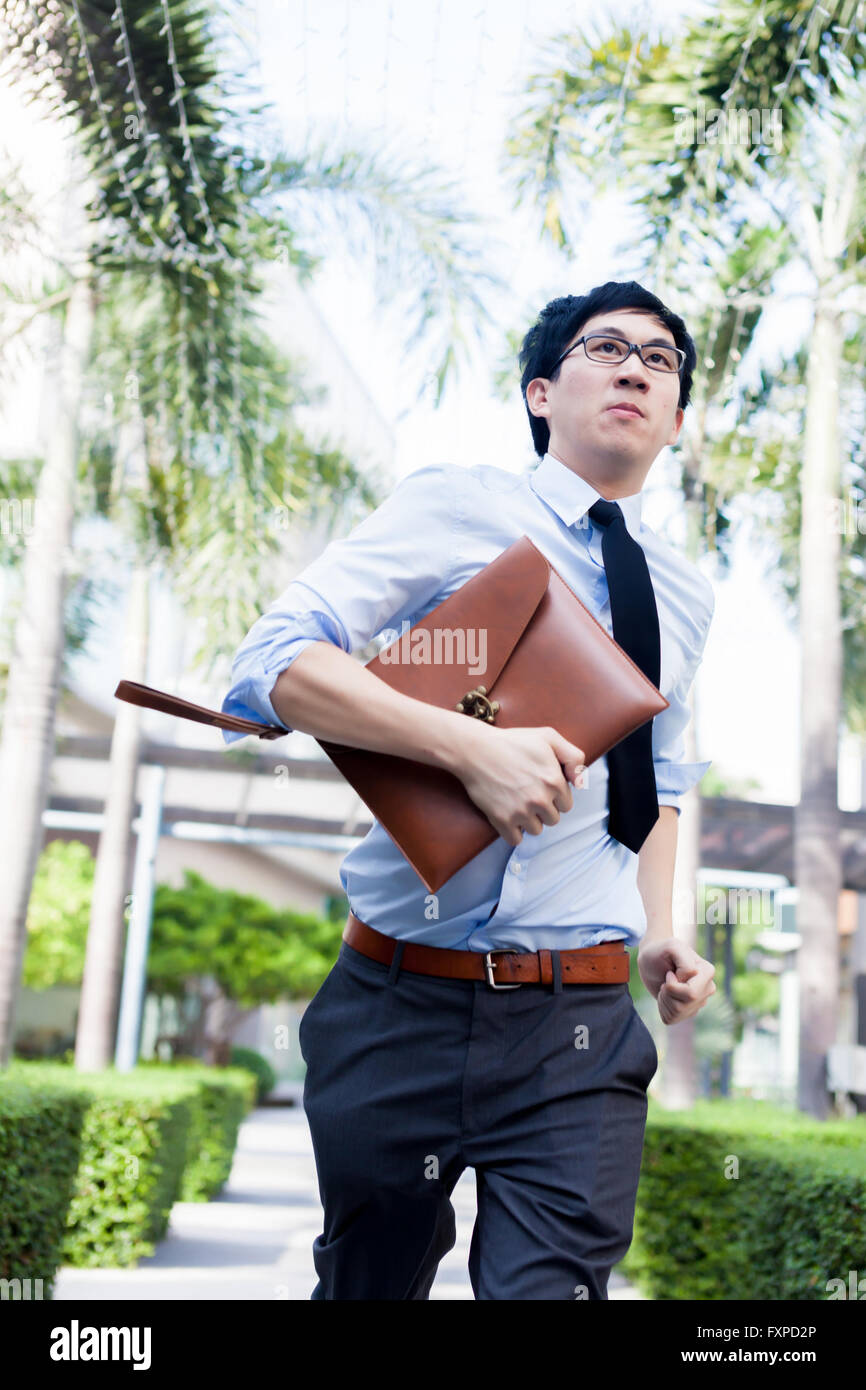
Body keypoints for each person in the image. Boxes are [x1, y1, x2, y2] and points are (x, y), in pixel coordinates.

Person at [221, 279, 717, 1300]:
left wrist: (657, 926)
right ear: (540, 391)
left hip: (575, 1025)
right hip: (396, 999)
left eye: (659, 360)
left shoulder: (683, 591)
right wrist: (466, 749)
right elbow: (269, 663)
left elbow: (654, 781)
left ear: (675, 417)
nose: (633, 366)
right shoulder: (458, 504)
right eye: (603, 348)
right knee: (369, 1285)